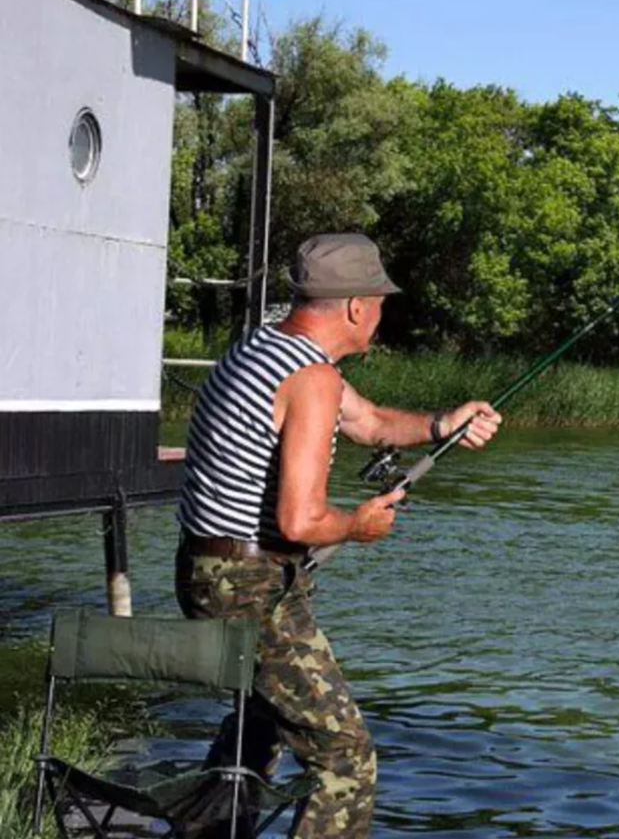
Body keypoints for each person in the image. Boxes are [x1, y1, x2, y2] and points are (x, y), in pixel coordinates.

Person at [174, 233, 502, 839]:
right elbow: (301, 520)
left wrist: (441, 423)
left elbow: (370, 421)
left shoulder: (263, 350)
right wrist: (358, 523)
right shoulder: (312, 378)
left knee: (260, 724)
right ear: (356, 306)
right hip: (249, 588)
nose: (380, 314)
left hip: (206, 574)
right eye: (379, 301)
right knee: (345, 755)